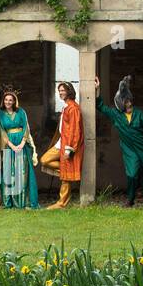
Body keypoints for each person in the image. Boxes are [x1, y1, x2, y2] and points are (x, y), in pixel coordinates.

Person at [94, 75, 143, 205]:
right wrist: (97, 89)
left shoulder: (139, 113)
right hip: (129, 149)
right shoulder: (116, 115)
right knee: (132, 174)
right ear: (120, 104)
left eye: (130, 101)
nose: (129, 104)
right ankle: (130, 199)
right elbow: (101, 106)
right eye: (126, 103)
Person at [37, 81, 84, 209]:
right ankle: (66, 172)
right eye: (60, 91)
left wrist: (70, 148)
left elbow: (75, 130)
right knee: (45, 160)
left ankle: (62, 203)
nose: (61, 93)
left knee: (65, 173)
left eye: (63, 90)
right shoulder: (66, 107)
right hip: (61, 142)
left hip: (68, 144)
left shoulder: (73, 108)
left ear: (70, 91)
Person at [0, 89, 39, 209]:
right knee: (9, 172)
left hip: (22, 142)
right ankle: (9, 202)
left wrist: (22, 143)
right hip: (8, 144)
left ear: (14, 101)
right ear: (3, 101)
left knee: (22, 171)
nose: (8, 102)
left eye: (10, 100)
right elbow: (2, 131)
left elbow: (26, 127)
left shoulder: (21, 112)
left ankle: (23, 202)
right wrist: (11, 145)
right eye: (6, 99)